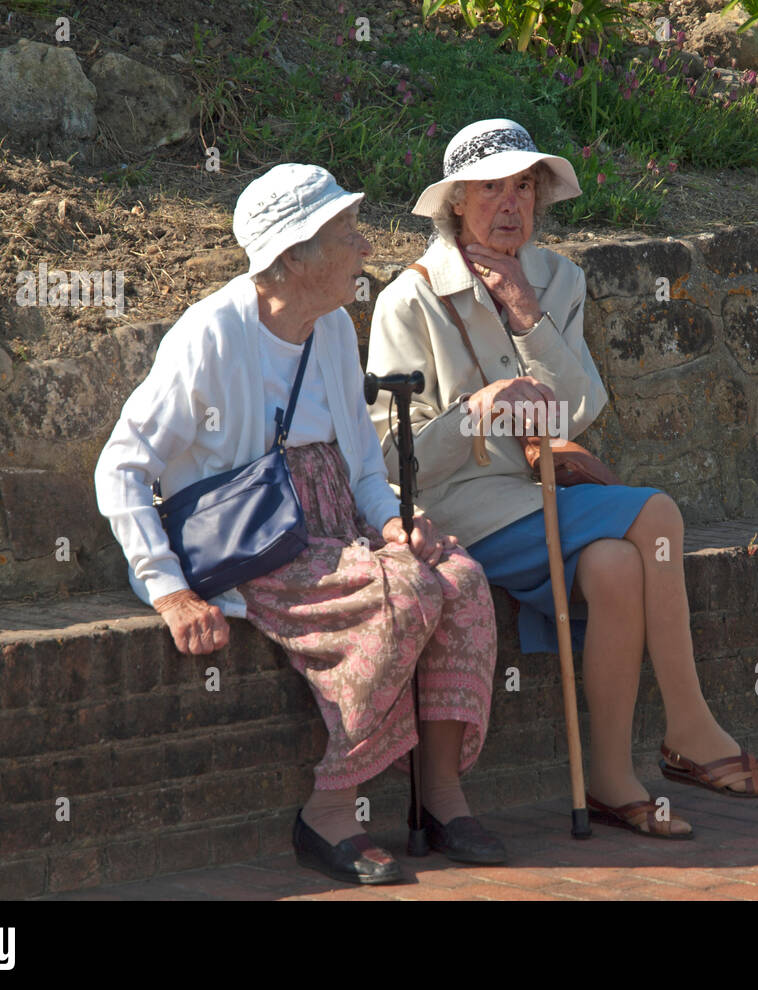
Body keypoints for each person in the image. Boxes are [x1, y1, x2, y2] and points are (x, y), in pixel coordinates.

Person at [367, 120, 758, 840]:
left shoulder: (559, 279)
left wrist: (531, 315)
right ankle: (689, 727)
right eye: (492, 188)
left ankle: (609, 779)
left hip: (541, 498)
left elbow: (581, 410)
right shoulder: (409, 301)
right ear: (456, 203)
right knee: (655, 513)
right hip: (460, 507)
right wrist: (477, 412)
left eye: (524, 185)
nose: (512, 203)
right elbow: (389, 462)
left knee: (617, 564)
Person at [95, 164, 504, 885]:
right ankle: (331, 809)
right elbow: (121, 466)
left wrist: (393, 526)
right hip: (255, 547)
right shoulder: (214, 333)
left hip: (336, 532)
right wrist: (168, 592)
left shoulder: (334, 330)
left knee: (463, 580)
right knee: (404, 594)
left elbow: (362, 466)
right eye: (346, 233)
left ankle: (441, 796)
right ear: (293, 256)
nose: (364, 245)